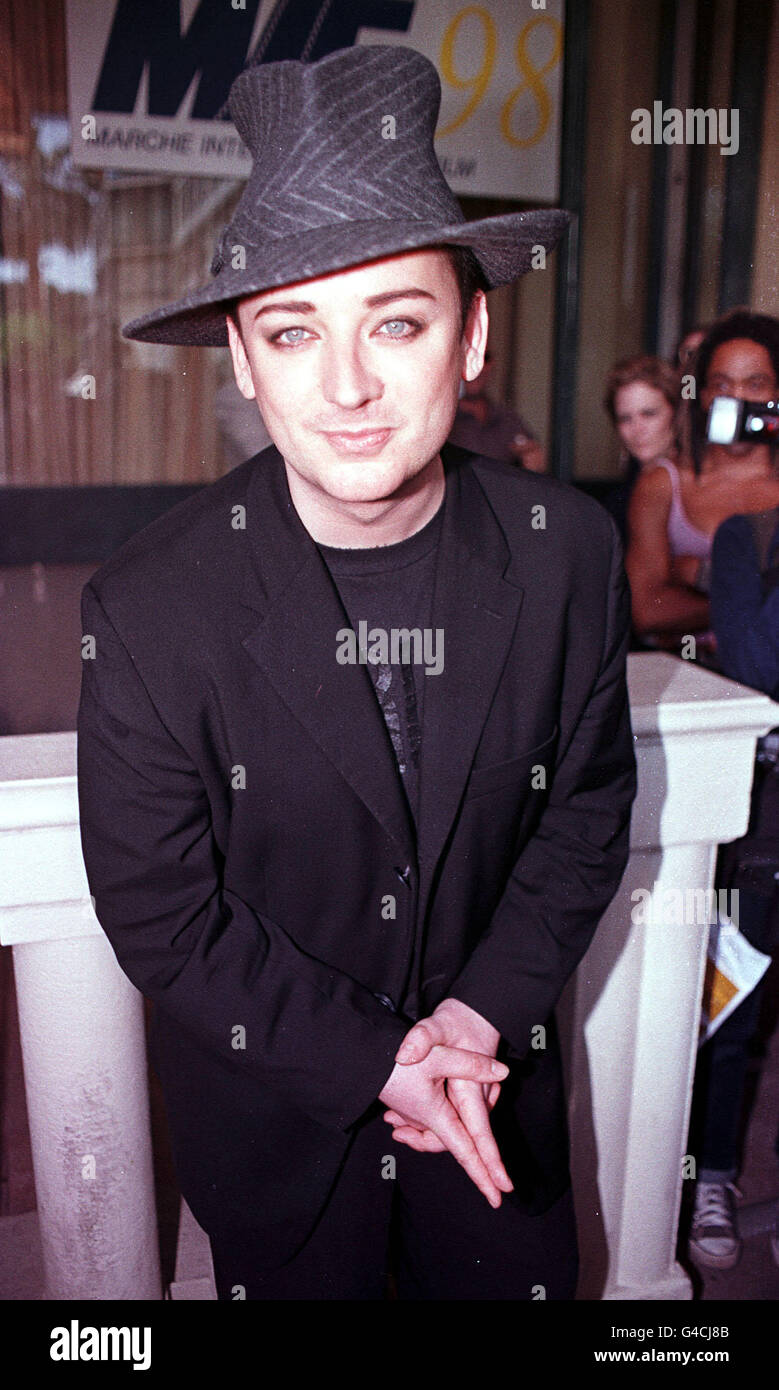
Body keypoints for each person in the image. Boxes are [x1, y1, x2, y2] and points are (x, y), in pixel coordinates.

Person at [76, 45, 636, 1301]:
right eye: (293, 329)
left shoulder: (567, 556)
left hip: (495, 1107)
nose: (344, 388)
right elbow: (161, 914)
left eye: (394, 320)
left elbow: (583, 813)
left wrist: (476, 1021)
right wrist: (381, 1058)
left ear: (472, 332)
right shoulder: (151, 607)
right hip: (285, 1142)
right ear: (241, 355)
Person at [686, 496, 779, 1270]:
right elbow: (754, 662)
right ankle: (711, 1173)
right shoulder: (747, 535)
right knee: (730, 1000)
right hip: (763, 814)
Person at [625, 309, 779, 658]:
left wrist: (704, 577)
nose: (736, 397)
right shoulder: (663, 484)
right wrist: (758, 598)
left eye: (755, 384)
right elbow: (647, 610)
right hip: (694, 679)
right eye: (722, 384)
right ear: (704, 395)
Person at [601, 355, 682, 547]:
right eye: (625, 418)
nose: (637, 429)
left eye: (649, 414)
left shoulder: (696, 487)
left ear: (677, 414)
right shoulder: (616, 506)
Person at [448, 348, 546, 472]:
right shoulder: (446, 419)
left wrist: (532, 458)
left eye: (484, 360)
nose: (477, 374)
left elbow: (530, 450)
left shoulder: (505, 417)